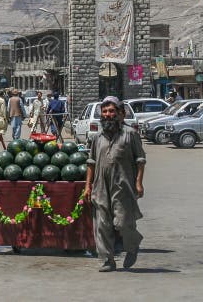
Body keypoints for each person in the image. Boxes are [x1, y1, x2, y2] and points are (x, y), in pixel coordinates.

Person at [84, 96, 146, 272]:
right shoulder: (98, 136)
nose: (108, 115)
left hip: (123, 183)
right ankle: (107, 260)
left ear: (120, 113)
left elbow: (140, 160)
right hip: (100, 184)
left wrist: (139, 183)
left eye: (112, 111)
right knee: (102, 224)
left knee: (122, 222)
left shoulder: (130, 134)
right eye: (104, 112)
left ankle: (133, 246)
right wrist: (88, 186)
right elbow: (91, 162)